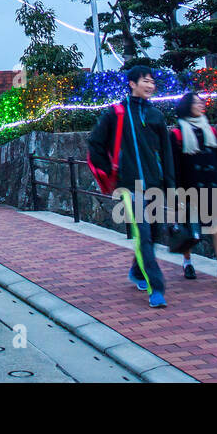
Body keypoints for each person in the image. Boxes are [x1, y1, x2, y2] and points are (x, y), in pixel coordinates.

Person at [86, 65, 176, 308]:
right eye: (145, 81)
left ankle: (137, 272)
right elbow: (94, 143)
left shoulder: (156, 115)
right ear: (132, 83)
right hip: (130, 185)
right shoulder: (115, 114)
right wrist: (113, 171)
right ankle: (156, 288)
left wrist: (170, 185)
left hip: (154, 184)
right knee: (143, 234)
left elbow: (166, 153)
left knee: (154, 233)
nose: (150, 85)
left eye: (152, 81)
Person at [169, 91, 217, 287]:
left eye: (201, 102)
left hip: (211, 186)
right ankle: (187, 261)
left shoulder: (211, 131)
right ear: (187, 106)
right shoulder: (177, 134)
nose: (201, 105)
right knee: (190, 230)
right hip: (189, 190)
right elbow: (174, 167)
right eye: (196, 103)